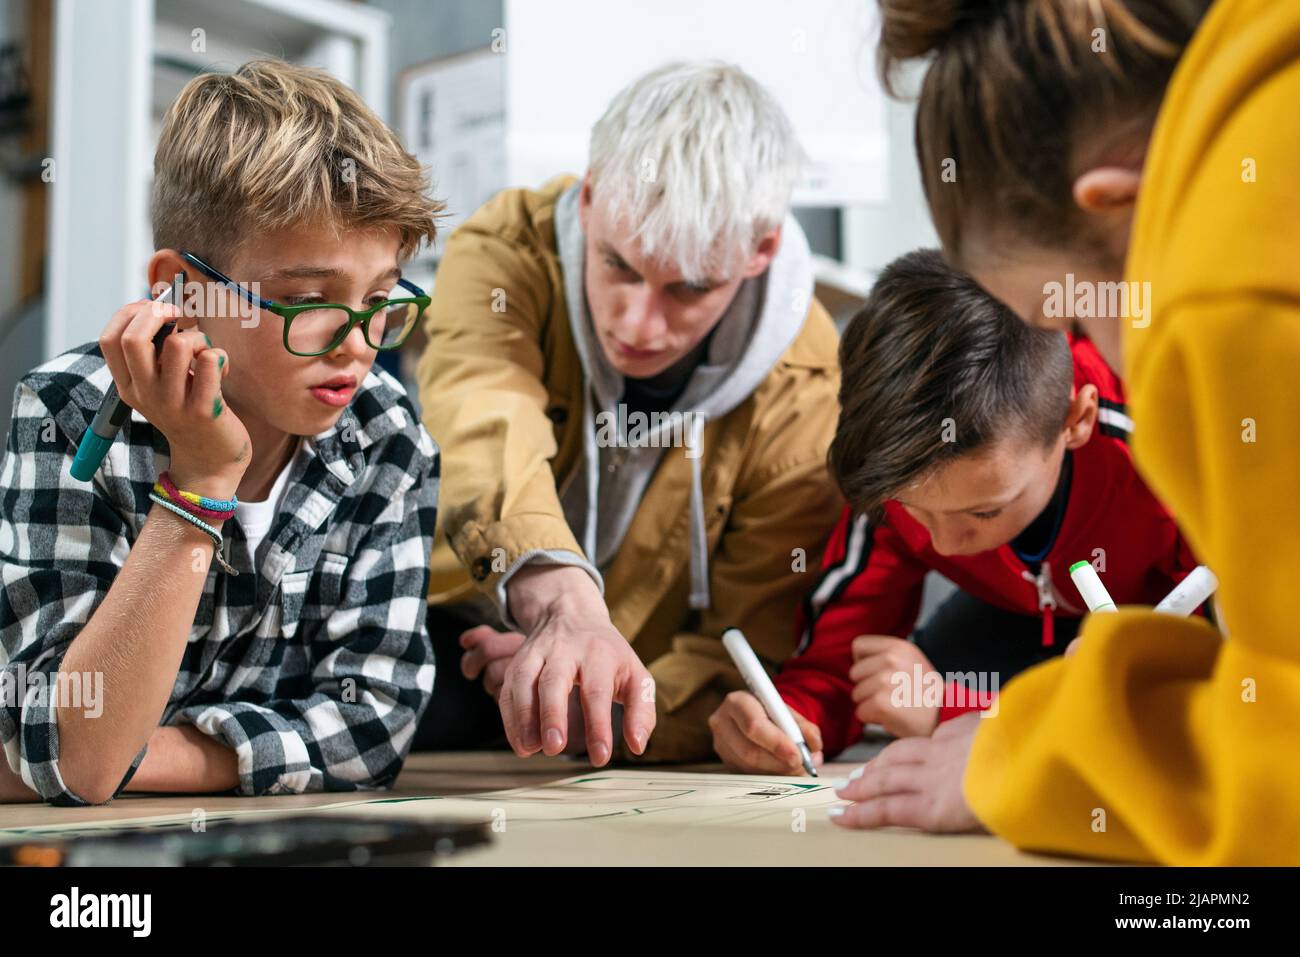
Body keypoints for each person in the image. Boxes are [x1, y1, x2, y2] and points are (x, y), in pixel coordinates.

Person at [833, 0, 1300, 864]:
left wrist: (1022, 759)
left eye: (1066, 318)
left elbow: (1283, 771)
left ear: (1122, 204)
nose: (1102, 365)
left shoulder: (1229, 297)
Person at [0, 60, 442, 805]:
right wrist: (200, 485)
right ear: (179, 287)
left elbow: (373, 726)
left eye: (379, 297)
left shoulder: (386, 433)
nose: (358, 344)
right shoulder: (67, 413)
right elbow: (77, 746)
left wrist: (127, 755)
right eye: (308, 299)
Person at [414, 61, 842, 763]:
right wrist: (563, 607)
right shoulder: (505, 250)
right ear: (587, 202)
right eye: (618, 265)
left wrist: (613, 710)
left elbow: (743, 646)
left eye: (689, 288)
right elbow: (481, 418)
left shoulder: (807, 381)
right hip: (457, 626)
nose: (640, 325)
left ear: (761, 249)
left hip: (632, 694)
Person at [710, 250, 1196, 774]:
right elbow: (837, 665)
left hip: (1163, 631)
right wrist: (788, 719)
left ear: (1076, 420)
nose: (941, 545)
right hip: (1010, 622)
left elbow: (1225, 692)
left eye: (984, 512)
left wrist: (956, 711)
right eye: (915, 511)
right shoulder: (894, 469)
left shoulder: (1168, 460)